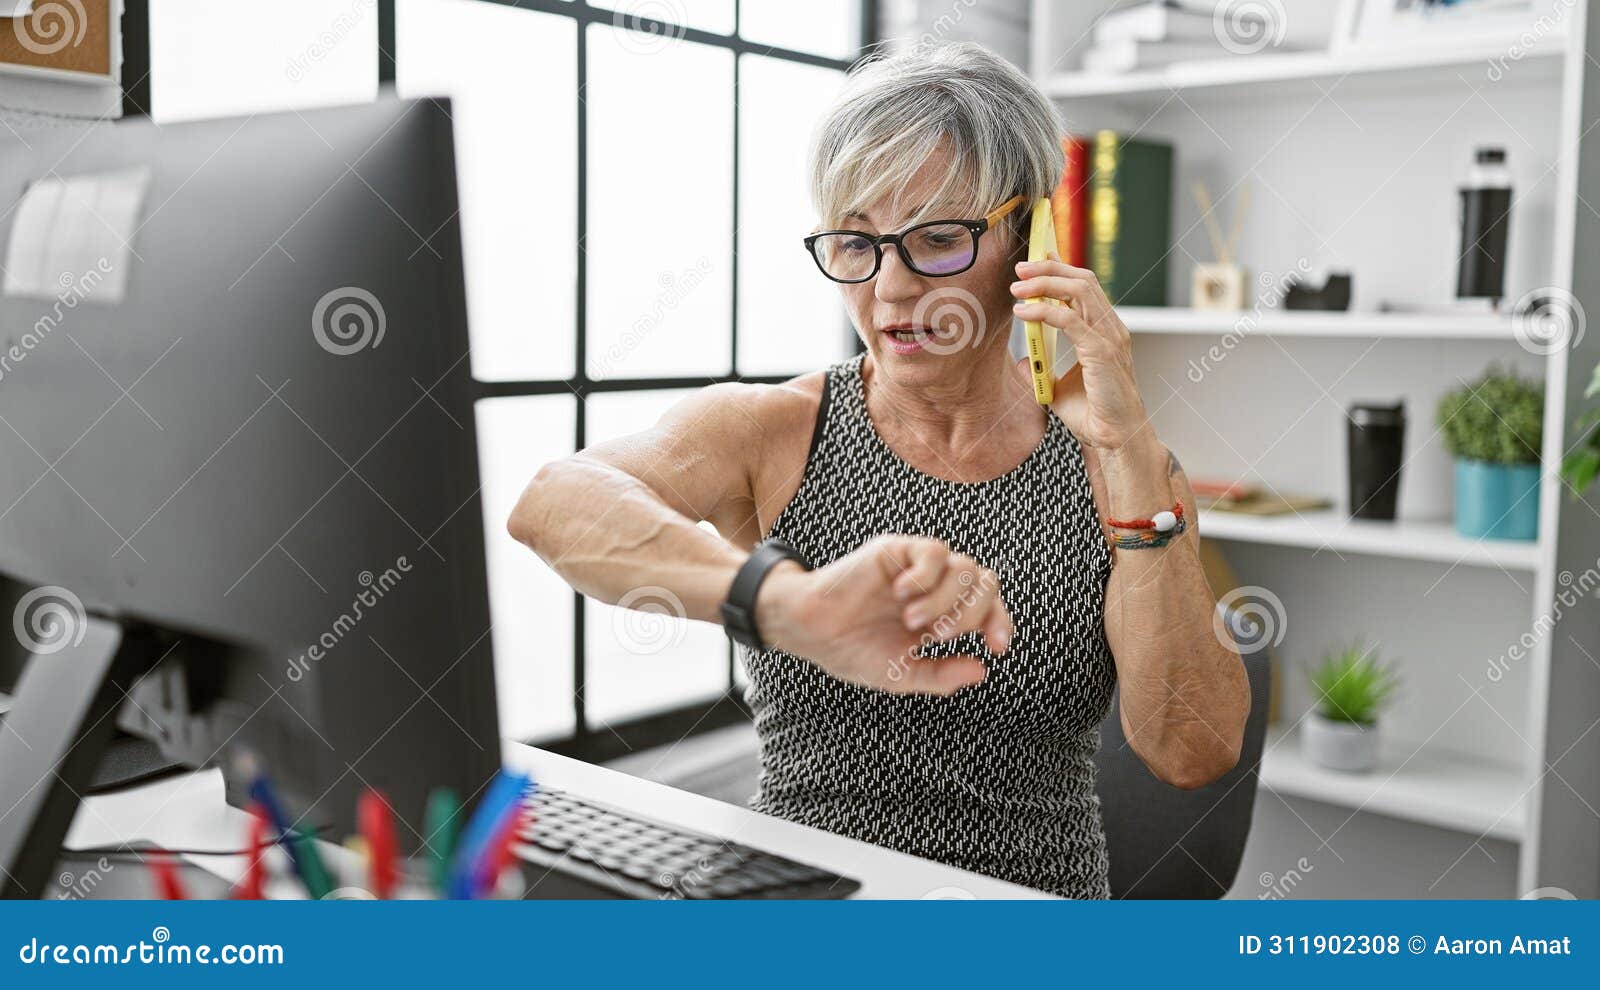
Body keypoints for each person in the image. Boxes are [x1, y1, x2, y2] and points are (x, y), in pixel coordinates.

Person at [509, 42, 1249, 898]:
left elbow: (1192, 751)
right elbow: (552, 504)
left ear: (1029, 239)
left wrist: (1126, 452)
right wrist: (793, 603)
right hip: (804, 906)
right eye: (855, 244)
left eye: (936, 240)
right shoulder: (776, 430)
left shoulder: (1124, 472)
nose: (890, 289)